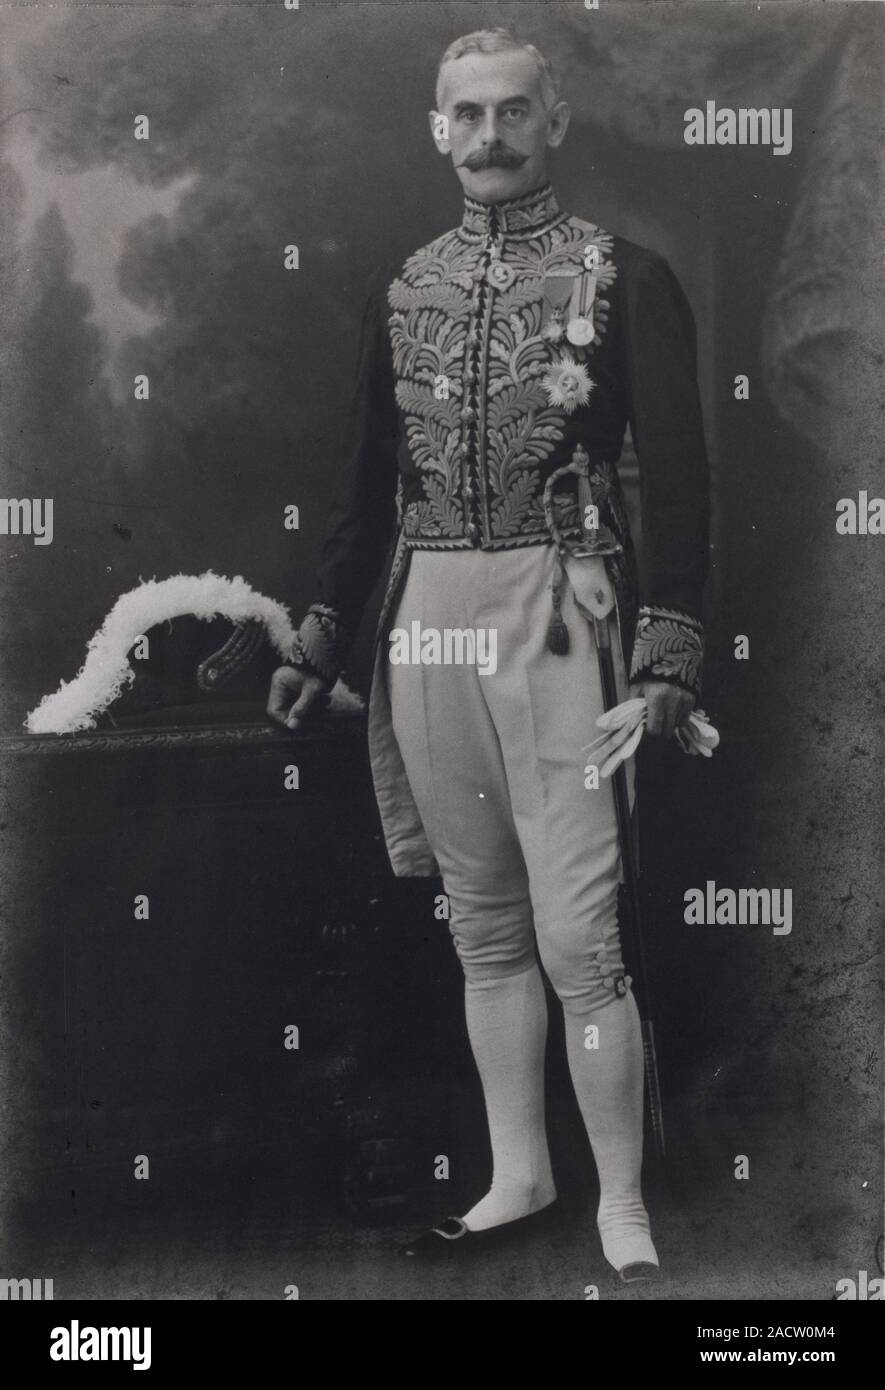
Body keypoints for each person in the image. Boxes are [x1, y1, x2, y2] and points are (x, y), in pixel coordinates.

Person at [268, 28, 709, 1284]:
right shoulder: (403, 286)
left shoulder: (625, 276)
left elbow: (683, 483)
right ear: (437, 129)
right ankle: (521, 1172)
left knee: (580, 935)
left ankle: (622, 1196)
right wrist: (322, 631)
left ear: (555, 123)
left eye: (517, 112)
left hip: (558, 610)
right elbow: (364, 487)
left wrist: (671, 644)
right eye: (468, 115)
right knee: (485, 925)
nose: (492, 136)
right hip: (427, 619)